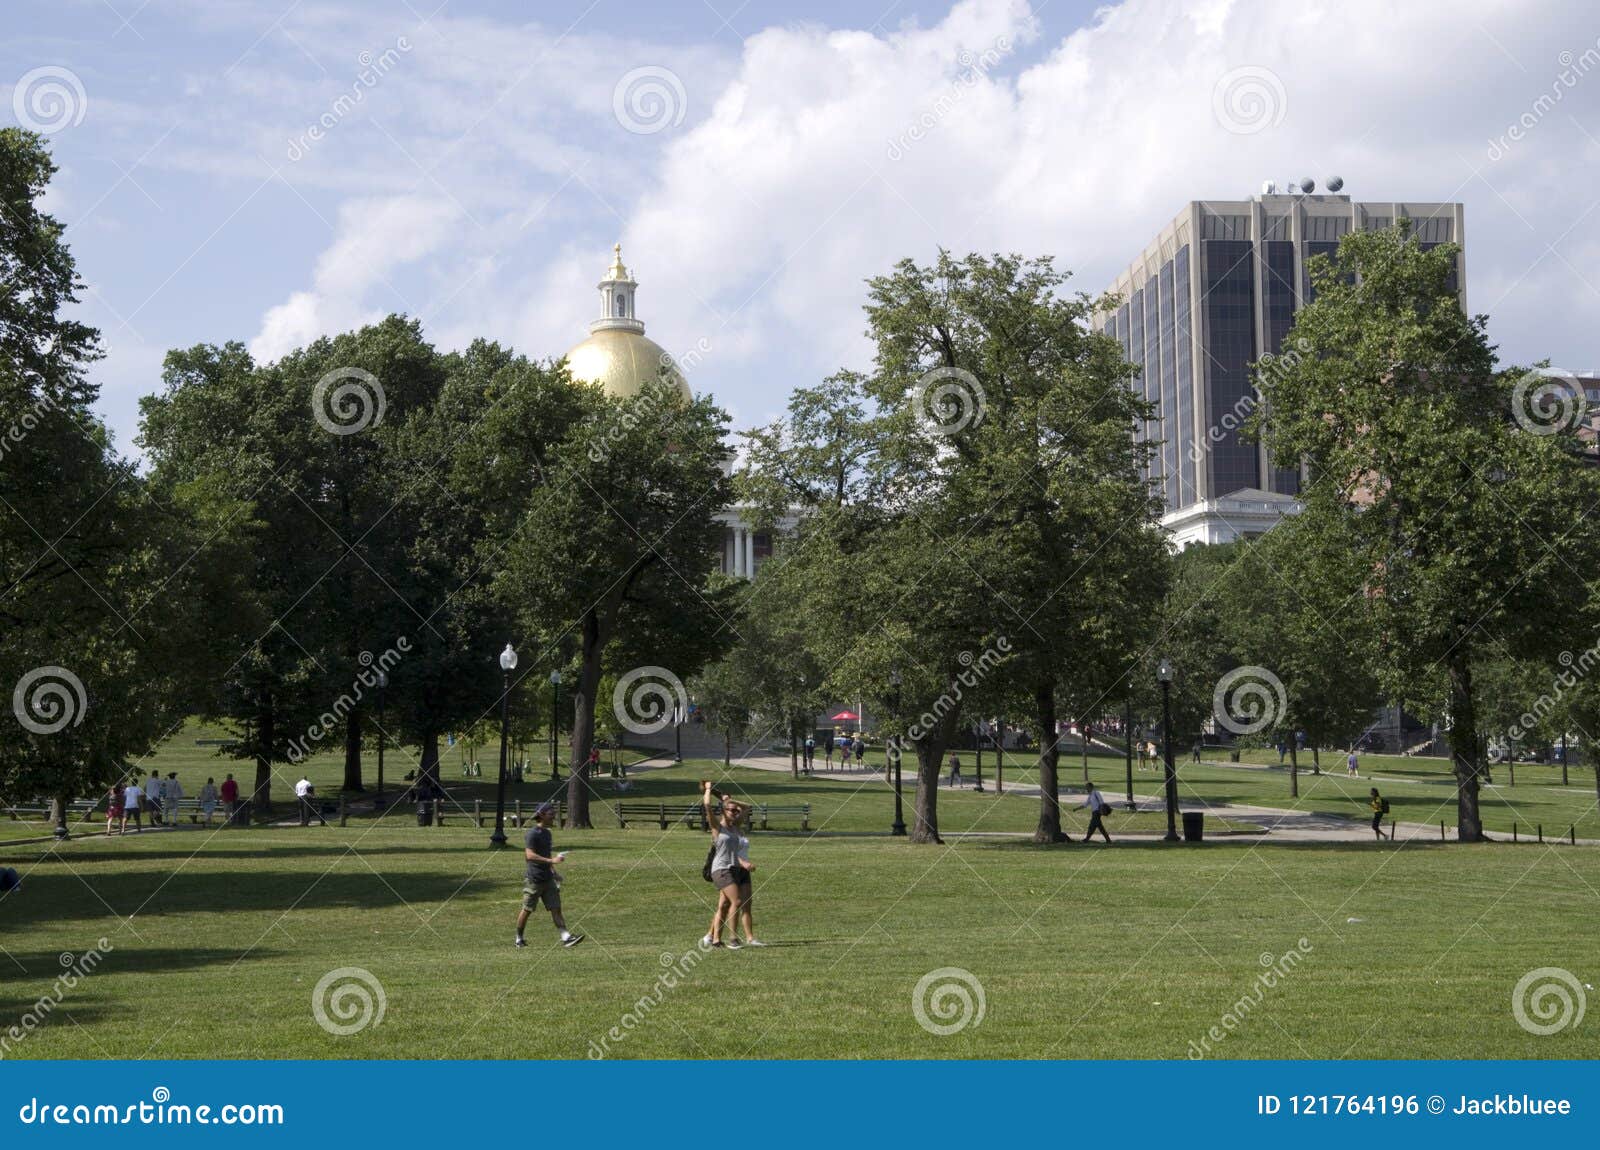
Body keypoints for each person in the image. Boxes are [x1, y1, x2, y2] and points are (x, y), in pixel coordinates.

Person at [701, 780, 761, 948]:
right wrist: (708, 790)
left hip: (734, 868)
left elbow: (747, 807)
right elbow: (707, 805)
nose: (735, 812)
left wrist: (728, 800)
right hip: (721, 869)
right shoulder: (717, 827)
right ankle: (733, 940)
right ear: (723, 811)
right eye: (732, 810)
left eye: (736, 811)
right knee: (737, 901)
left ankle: (715, 940)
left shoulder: (735, 827)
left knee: (725, 904)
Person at [515, 803, 583, 949]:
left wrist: (554, 872)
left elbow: (546, 855)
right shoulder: (532, 833)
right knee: (527, 910)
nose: (554, 817)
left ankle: (566, 937)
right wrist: (551, 861)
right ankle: (519, 938)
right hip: (534, 879)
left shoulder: (547, 833)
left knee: (556, 908)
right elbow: (529, 855)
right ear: (541, 815)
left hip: (548, 878)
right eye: (551, 814)